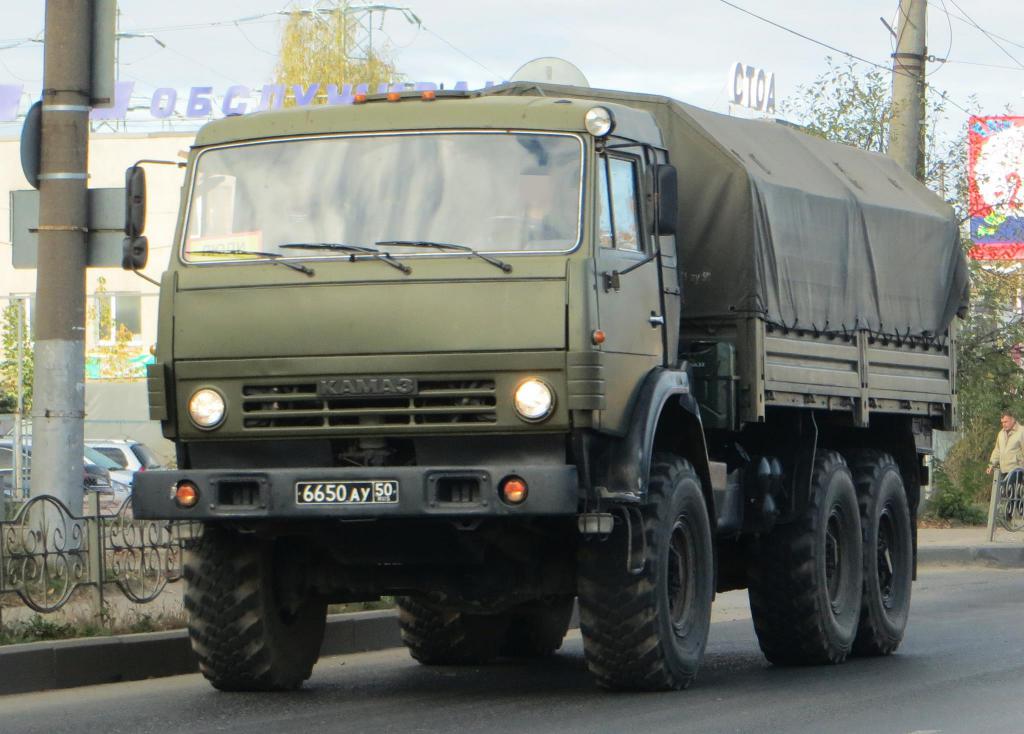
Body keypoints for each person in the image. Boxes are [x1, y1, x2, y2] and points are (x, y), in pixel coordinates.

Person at [986, 410, 1024, 477]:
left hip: (1017, 472)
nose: (1003, 424)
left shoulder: (1021, 432)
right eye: (1002, 422)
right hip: (1003, 472)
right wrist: (991, 465)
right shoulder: (1001, 434)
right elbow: (997, 451)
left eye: (1006, 422)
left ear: (1013, 420)